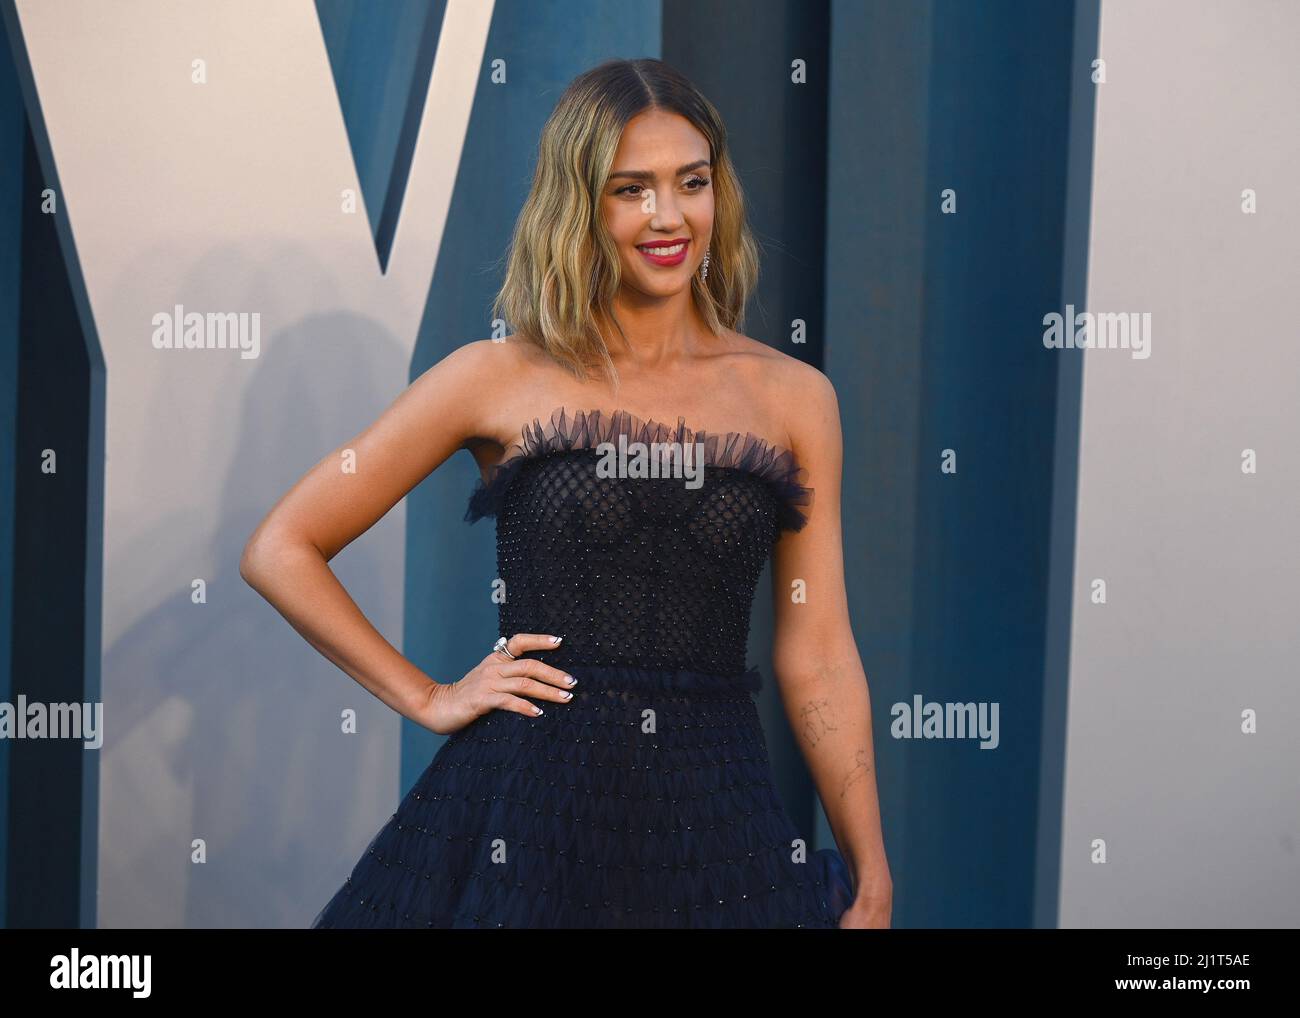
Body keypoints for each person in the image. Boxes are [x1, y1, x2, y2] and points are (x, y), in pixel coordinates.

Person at [240, 57, 891, 929]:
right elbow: (281, 548)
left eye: (690, 183)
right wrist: (428, 698)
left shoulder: (795, 399)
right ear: (580, 203)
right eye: (632, 190)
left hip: (716, 825)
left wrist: (871, 870)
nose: (669, 217)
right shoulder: (495, 378)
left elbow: (817, 650)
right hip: (526, 818)